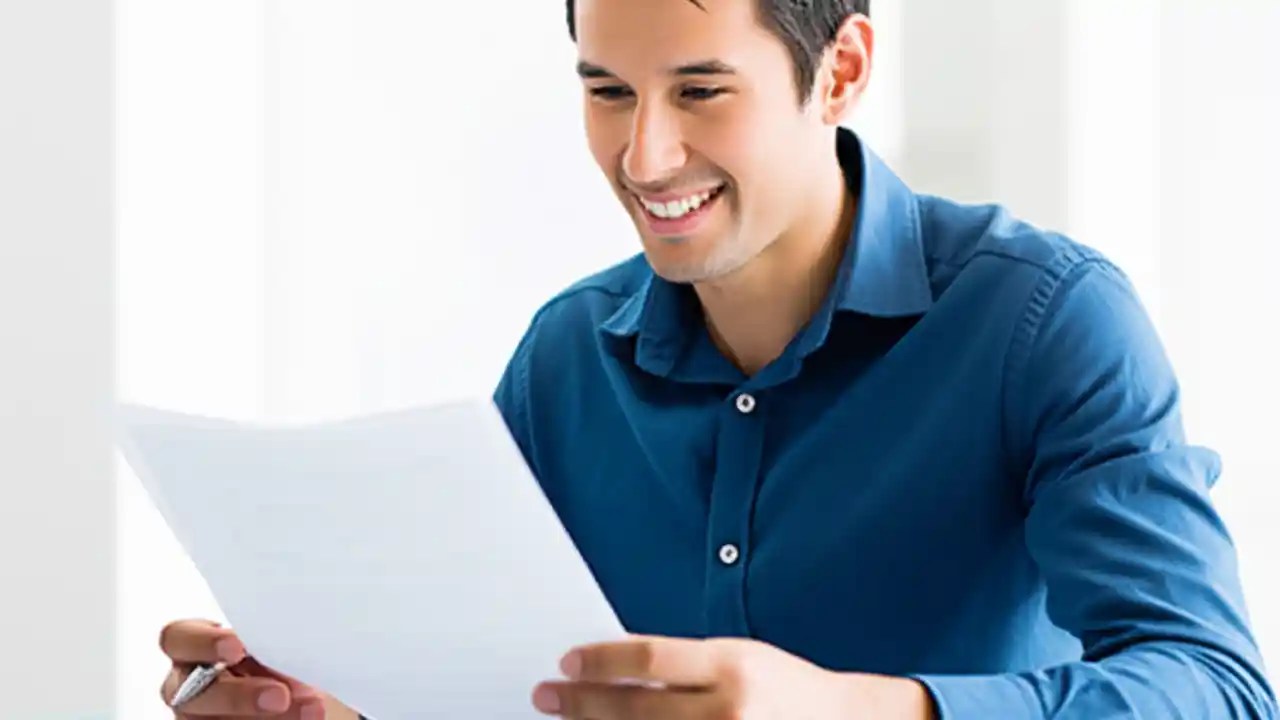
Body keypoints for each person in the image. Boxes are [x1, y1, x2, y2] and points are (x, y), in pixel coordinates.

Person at [158, 0, 1278, 717]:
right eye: (605, 92)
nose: (642, 154)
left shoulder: (1044, 323)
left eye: (699, 91)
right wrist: (330, 703)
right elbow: (502, 692)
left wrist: (854, 710)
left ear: (838, 70)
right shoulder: (563, 357)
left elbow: (1214, 689)